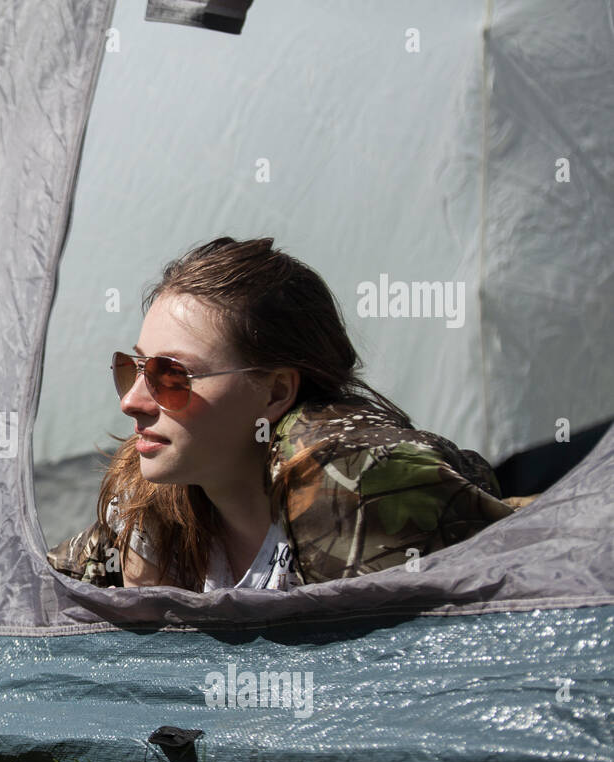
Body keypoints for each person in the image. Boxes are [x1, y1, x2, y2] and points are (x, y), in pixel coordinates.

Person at [46, 237, 528, 591]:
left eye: (171, 376)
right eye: (132, 368)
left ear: (275, 392)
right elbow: (31, 597)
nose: (131, 400)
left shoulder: (349, 489)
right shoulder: (147, 497)